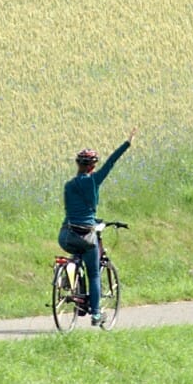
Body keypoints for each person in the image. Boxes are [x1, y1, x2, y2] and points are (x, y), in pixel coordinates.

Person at [60, 133, 133, 321]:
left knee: (76, 254)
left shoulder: (68, 186)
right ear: (92, 166)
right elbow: (111, 162)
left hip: (66, 235)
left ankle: (71, 280)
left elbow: (74, 210)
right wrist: (127, 143)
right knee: (93, 273)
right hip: (86, 235)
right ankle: (96, 313)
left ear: (78, 164)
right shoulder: (93, 181)